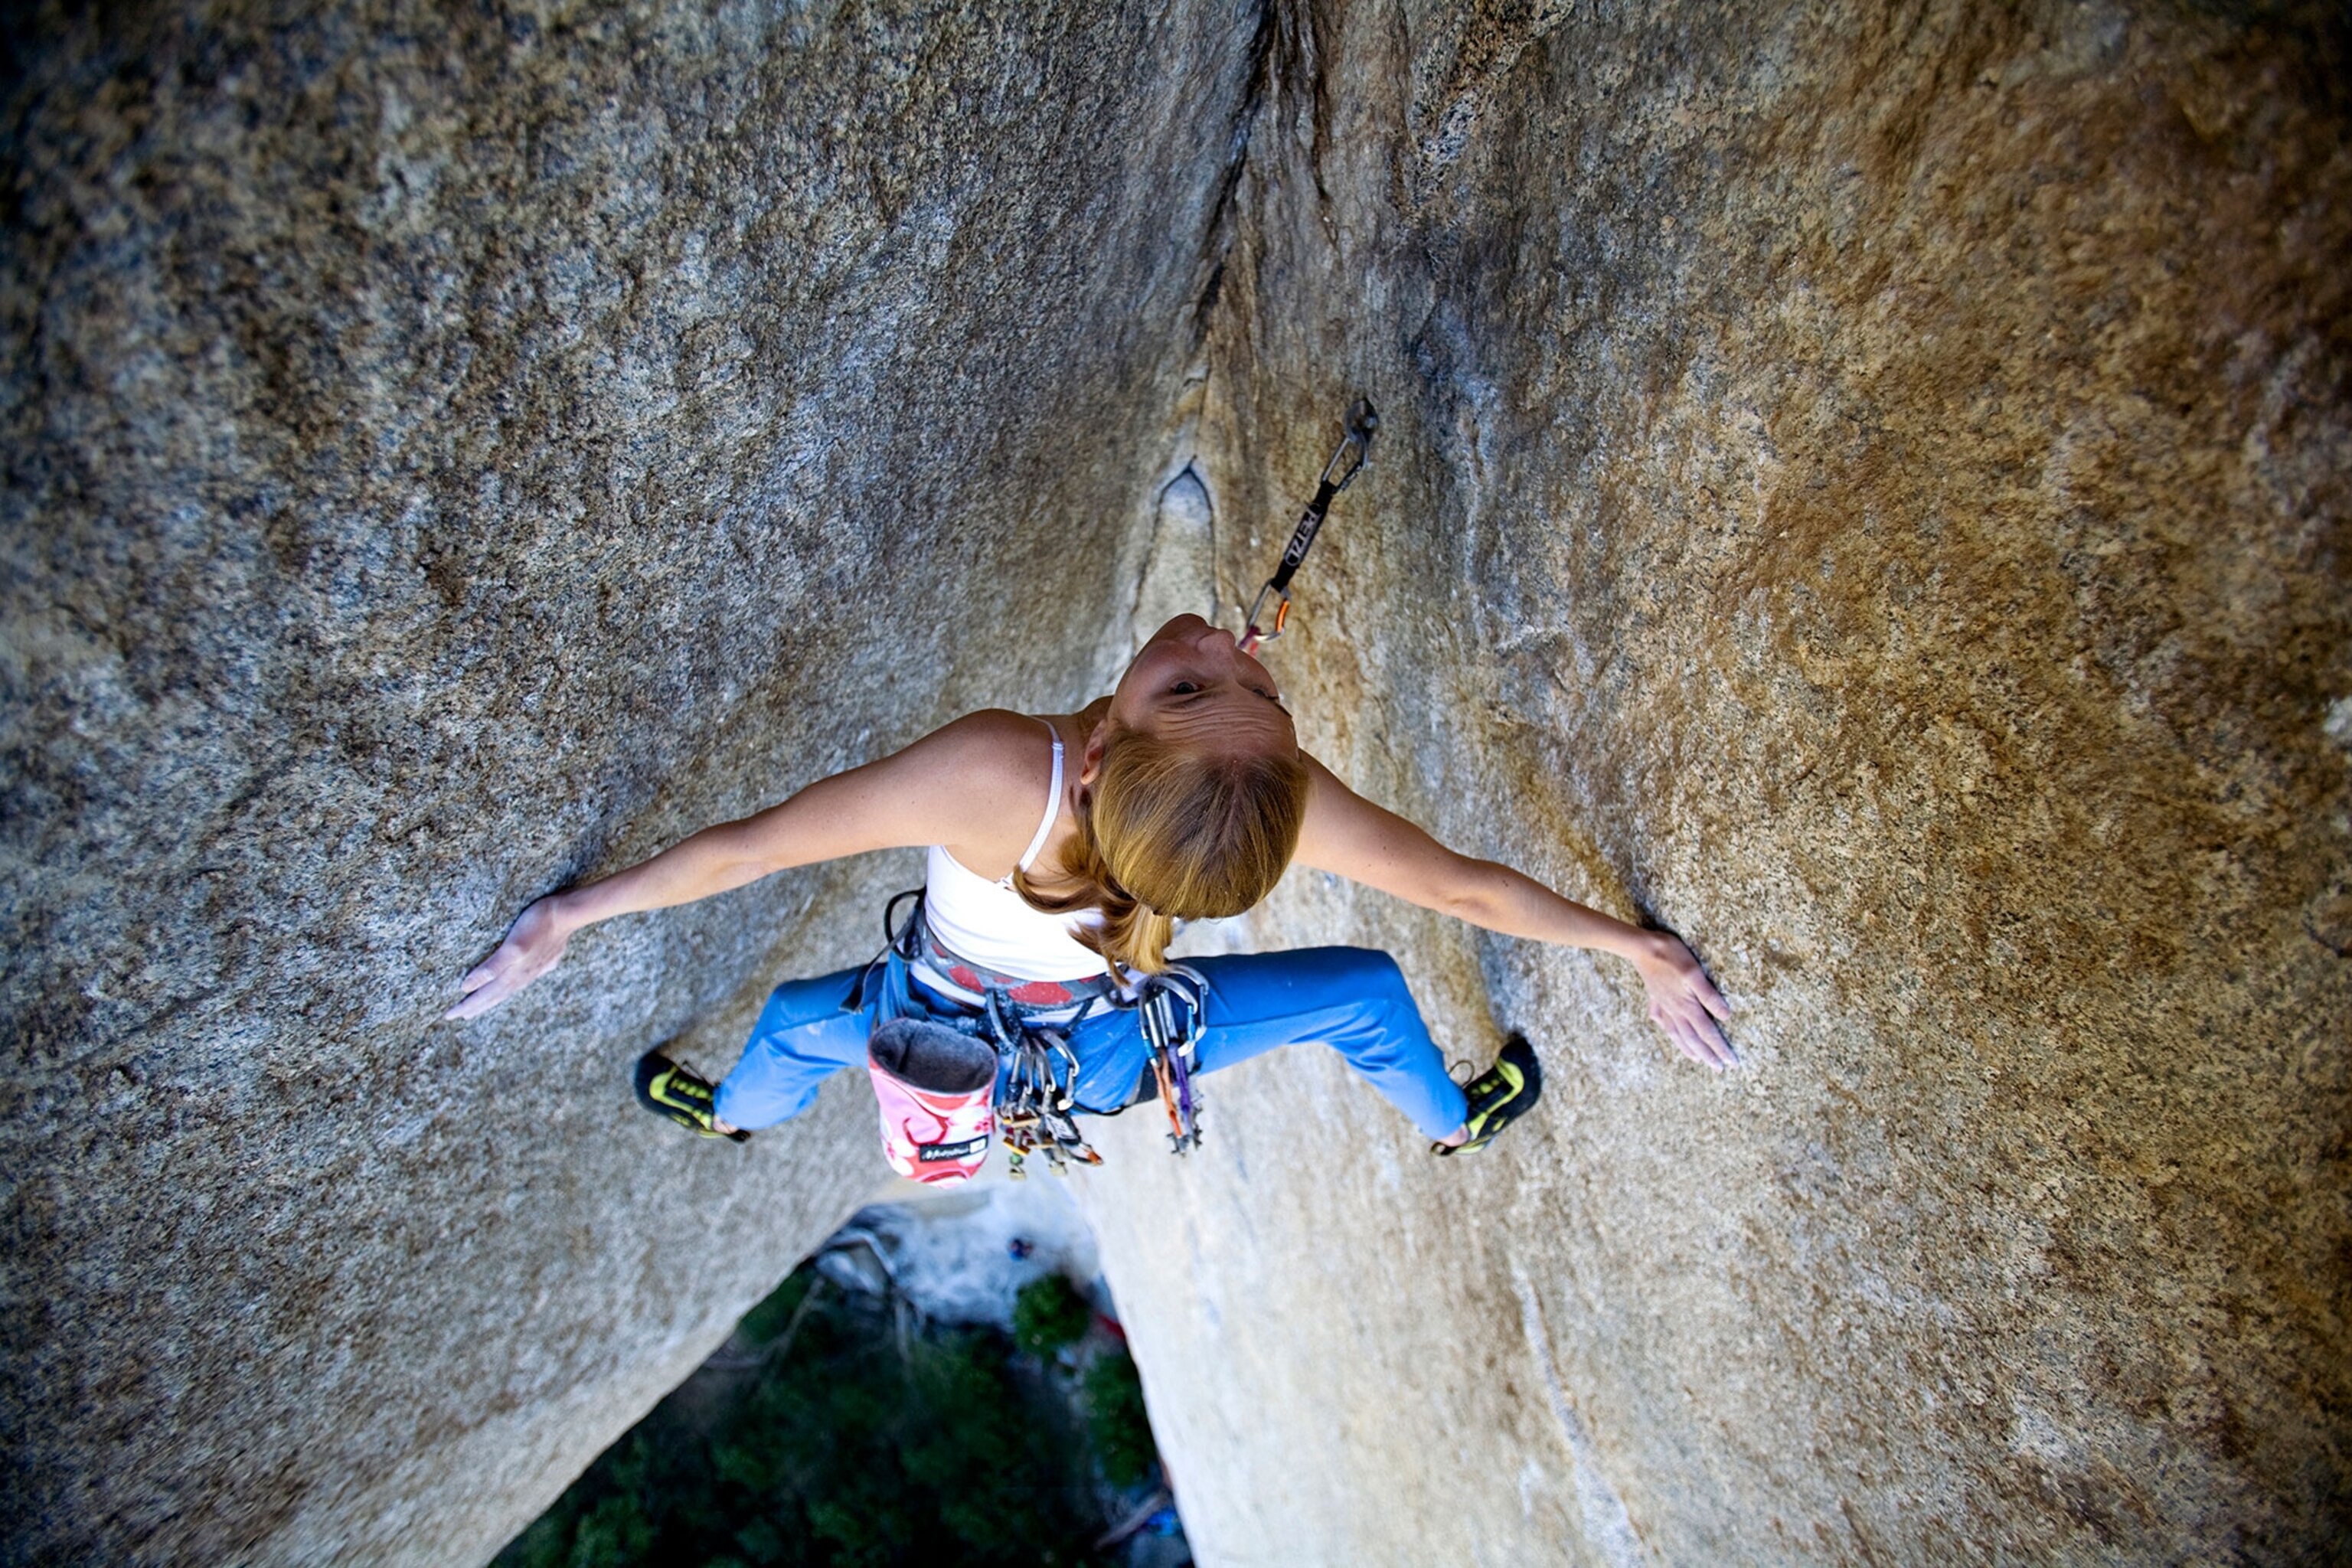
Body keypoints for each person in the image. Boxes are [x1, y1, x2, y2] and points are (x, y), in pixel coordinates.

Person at [446, 614, 1733, 1158]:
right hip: (1106, 1063)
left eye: (1209, 685)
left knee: (792, 1030)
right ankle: (1451, 1118)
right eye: (1232, 680)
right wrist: (1635, 951)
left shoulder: (1003, 775)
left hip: (927, 1023)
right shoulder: (1275, 804)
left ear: (1110, 749)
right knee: (1368, 991)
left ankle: (729, 1119)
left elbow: (755, 847)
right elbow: (1463, 894)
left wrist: (566, 918)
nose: (1219, 647)